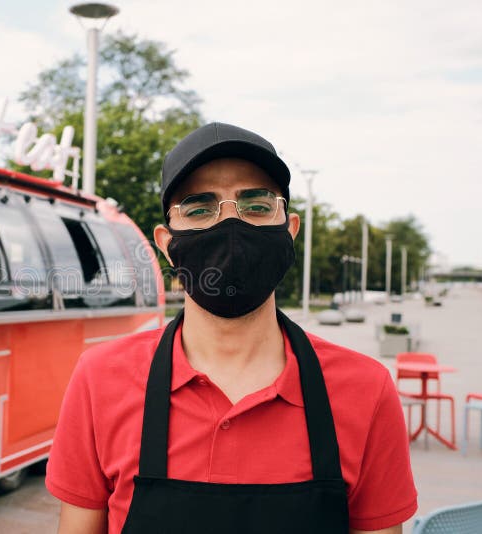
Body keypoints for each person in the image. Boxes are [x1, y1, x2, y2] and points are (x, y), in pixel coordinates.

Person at [45, 122, 417, 534]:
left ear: (289, 230)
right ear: (167, 243)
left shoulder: (366, 390)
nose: (229, 225)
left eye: (255, 205)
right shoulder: (99, 380)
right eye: (200, 208)